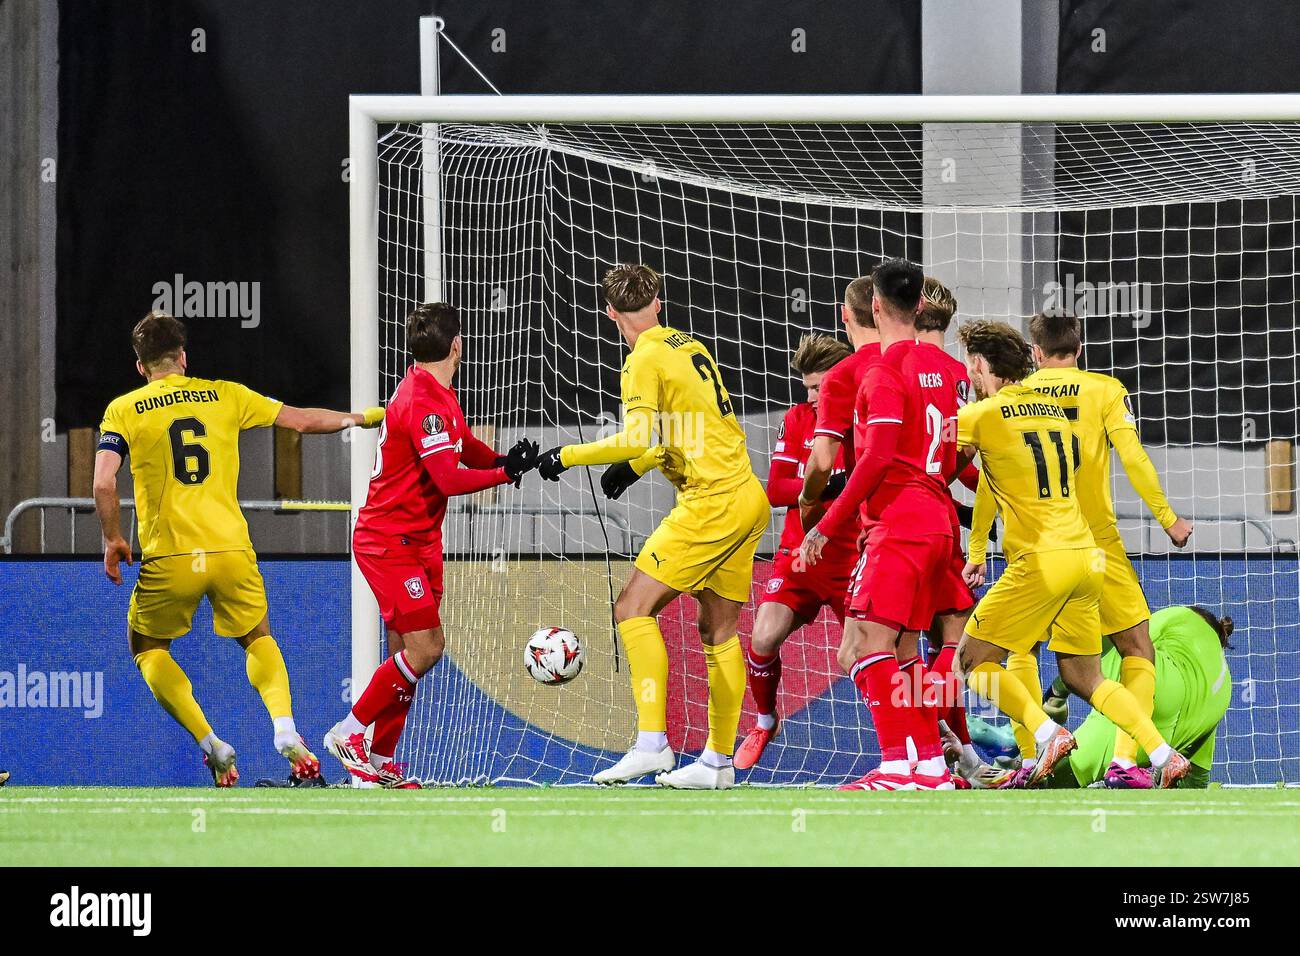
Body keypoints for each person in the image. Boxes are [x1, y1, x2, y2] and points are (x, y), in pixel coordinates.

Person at [94, 310, 383, 786]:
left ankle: (212, 744)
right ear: (183, 357)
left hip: (171, 555)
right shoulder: (228, 394)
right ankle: (286, 730)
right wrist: (364, 416)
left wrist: (113, 538)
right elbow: (303, 422)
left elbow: (104, 482)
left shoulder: (124, 409)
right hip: (231, 549)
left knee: (147, 648)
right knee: (257, 637)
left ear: (141, 367)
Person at [539, 264, 770, 789]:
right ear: (659, 304)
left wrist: (567, 454)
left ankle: (652, 745)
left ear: (611, 314)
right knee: (719, 631)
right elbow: (690, 428)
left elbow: (635, 434)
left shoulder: (641, 358)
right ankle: (716, 764)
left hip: (709, 503)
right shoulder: (690, 346)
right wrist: (640, 467)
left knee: (632, 608)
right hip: (746, 496)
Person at [953, 319, 1190, 788]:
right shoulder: (1059, 414)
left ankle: (1041, 738)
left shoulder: (984, 416)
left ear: (981, 366)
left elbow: (946, 468)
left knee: (973, 659)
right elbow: (1130, 456)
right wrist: (1167, 518)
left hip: (1039, 561)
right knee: (1087, 675)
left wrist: (973, 546)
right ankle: (1161, 756)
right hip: (1090, 556)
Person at [325, 303, 538, 788]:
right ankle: (350, 730)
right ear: (458, 345)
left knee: (406, 654)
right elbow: (446, 477)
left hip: (418, 540)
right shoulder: (422, 399)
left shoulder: (433, 389)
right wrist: (503, 474)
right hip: (388, 541)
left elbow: (462, 446)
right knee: (428, 647)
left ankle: (380, 760)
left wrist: (506, 460)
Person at [801, 258, 959, 791]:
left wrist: (825, 526)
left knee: (867, 642)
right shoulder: (947, 370)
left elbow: (877, 459)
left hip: (899, 525)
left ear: (873, 307)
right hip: (939, 523)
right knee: (907, 650)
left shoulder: (884, 373)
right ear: (919, 307)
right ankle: (933, 765)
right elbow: (957, 454)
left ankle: (895, 765)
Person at [734, 333, 853, 770]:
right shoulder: (798, 419)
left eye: (821, 387)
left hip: (853, 556)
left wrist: (820, 488)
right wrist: (828, 485)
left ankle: (932, 736)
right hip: (800, 552)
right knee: (762, 637)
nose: (813, 397)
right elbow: (776, 489)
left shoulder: (865, 418)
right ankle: (766, 721)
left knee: (867, 657)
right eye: (808, 388)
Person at [1042, 606, 1232, 789]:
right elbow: (1197, 774)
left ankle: (1051, 699)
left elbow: (1135, 642)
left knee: (1116, 636)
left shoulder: (1184, 615)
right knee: (1062, 778)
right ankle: (1126, 770)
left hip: (1158, 687)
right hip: (1164, 739)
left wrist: (1058, 693)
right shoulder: (1225, 687)